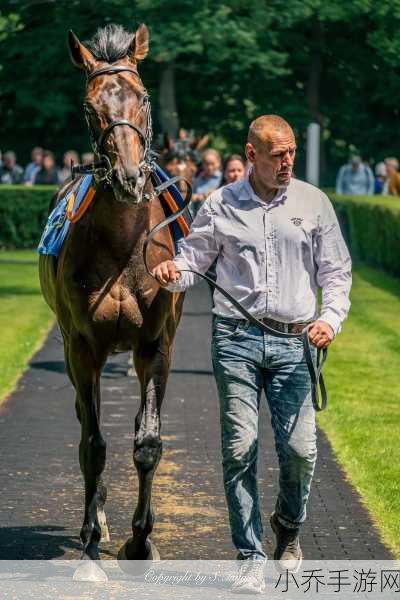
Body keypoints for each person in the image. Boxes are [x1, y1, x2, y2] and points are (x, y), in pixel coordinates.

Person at [151, 115, 352, 594]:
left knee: (301, 452)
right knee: (240, 447)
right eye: (277, 153)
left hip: (296, 342)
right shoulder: (220, 204)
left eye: (291, 153)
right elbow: (193, 260)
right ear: (252, 153)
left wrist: (330, 319)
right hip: (235, 340)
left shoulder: (314, 203)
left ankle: (289, 525)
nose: (287, 161)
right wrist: (171, 272)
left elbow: (337, 274)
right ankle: (248, 554)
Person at [191, 149, 222, 218]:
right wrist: (196, 197)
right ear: (203, 164)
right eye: (207, 164)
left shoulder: (222, 178)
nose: (210, 167)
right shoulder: (198, 180)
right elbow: (191, 196)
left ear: (218, 163)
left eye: (212, 164)